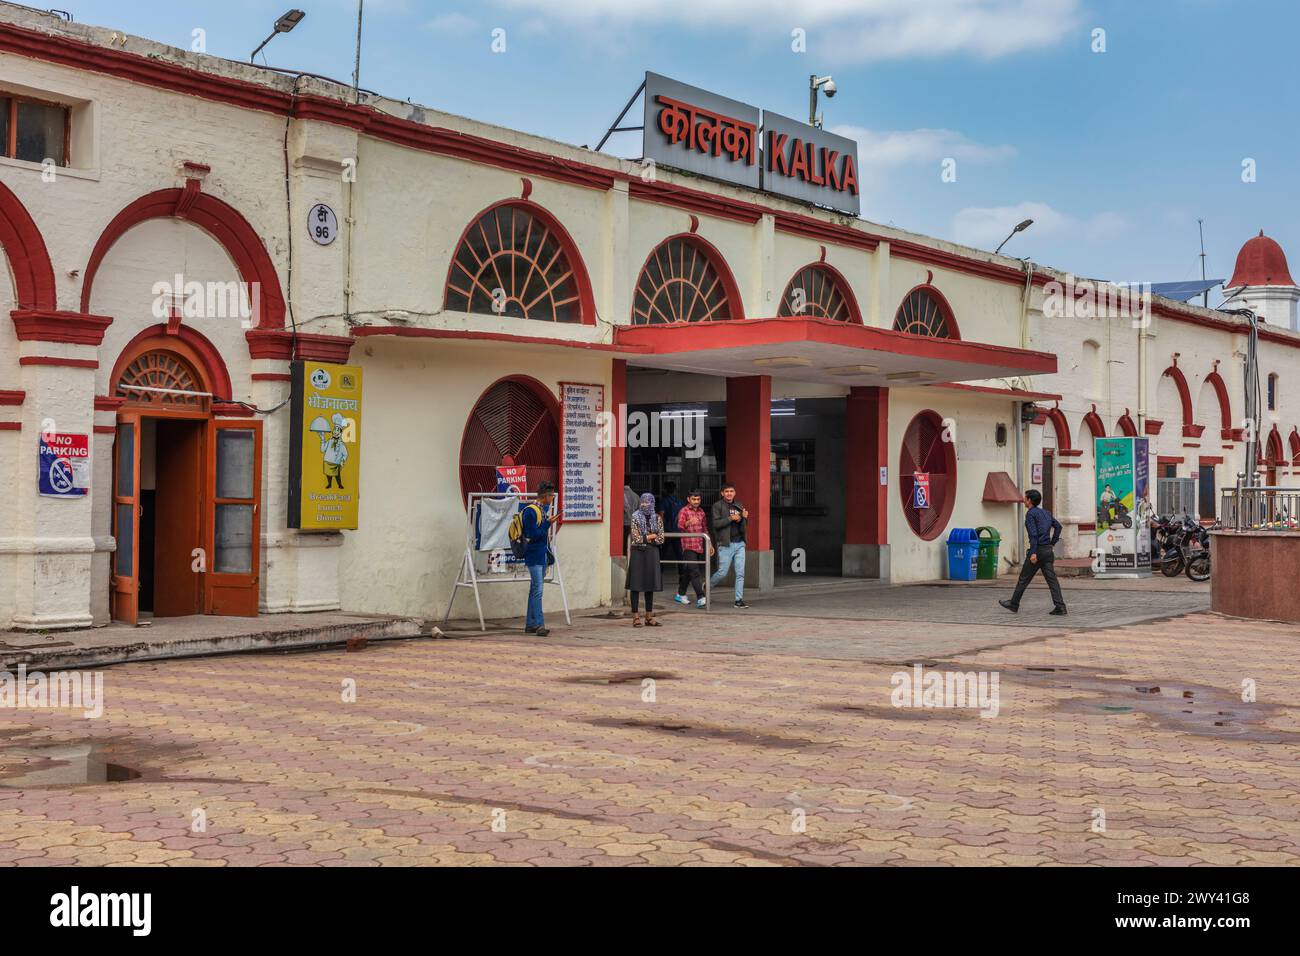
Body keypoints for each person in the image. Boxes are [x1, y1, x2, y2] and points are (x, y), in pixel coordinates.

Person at [1000, 488, 1066, 616]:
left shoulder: (1030, 514)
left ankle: (1014, 604)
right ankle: (1060, 606)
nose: (1024, 499)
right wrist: (1052, 543)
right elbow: (1058, 527)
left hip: (1037, 551)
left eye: (1025, 498)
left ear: (1029, 500)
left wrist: (1034, 552)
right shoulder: (1046, 513)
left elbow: (1033, 535)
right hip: (1048, 551)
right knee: (1052, 580)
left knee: (1023, 579)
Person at [523, 482, 560, 637]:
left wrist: (547, 523)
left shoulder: (541, 510)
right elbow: (532, 534)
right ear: (546, 496)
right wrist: (547, 523)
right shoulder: (531, 512)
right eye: (551, 496)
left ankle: (530, 624)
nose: (552, 499)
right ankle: (539, 624)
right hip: (534, 555)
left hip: (541, 554)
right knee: (538, 591)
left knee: (534, 590)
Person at [710, 482, 750, 609]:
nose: (729, 493)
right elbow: (716, 524)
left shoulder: (739, 505)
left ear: (735, 493)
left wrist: (744, 518)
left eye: (731, 491)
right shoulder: (717, 506)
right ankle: (708, 586)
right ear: (722, 493)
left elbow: (743, 525)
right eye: (726, 491)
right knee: (722, 572)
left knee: (740, 573)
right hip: (725, 544)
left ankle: (738, 600)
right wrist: (731, 518)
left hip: (740, 543)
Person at [627, 492, 664, 627]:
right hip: (638, 553)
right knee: (635, 585)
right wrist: (651, 536)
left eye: (648, 502)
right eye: (643, 502)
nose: (645, 505)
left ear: (652, 503)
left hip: (652, 553)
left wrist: (646, 538)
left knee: (650, 585)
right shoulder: (635, 516)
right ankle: (635, 617)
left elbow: (661, 539)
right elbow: (635, 538)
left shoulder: (657, 518)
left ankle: (649, 616)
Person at [673, 489, 709, 608]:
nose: (696, 501)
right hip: (688, 546)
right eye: (694, 499)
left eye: (698, 499)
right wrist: (689, 522)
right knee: (695, 571)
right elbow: (680, 526)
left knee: (688, 571)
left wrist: (710, 544)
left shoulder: (701, 512)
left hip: (699, 545)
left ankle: (680, 594)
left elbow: (705, 528)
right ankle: (701, 597)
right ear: (688, 499)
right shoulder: (684, 511)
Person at [659, 481, 686, 563]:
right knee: (679, 553)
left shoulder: (663, 501)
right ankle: (681, 571)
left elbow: (661, 517)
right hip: (678, 531)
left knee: (662, 553)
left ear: (665, 489)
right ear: (675, 489)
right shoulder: (680, 501)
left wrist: (660, 530)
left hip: (667, 531)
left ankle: (660, 570)